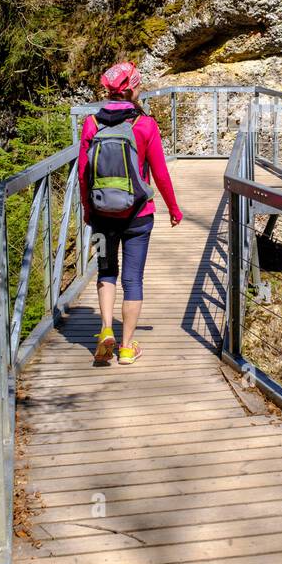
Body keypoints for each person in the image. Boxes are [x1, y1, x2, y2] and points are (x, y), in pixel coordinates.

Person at [78, 62, 182, 366]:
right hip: (138, 215)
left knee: (106, 272)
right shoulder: (145, 124)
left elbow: (84, 174)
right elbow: (160, 174)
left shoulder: (91, 124)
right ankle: (125, 348)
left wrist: (88, 209)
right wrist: (174, 208)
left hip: (100, 216)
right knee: (133, 280)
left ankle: (106, 329)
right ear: (134, 88)